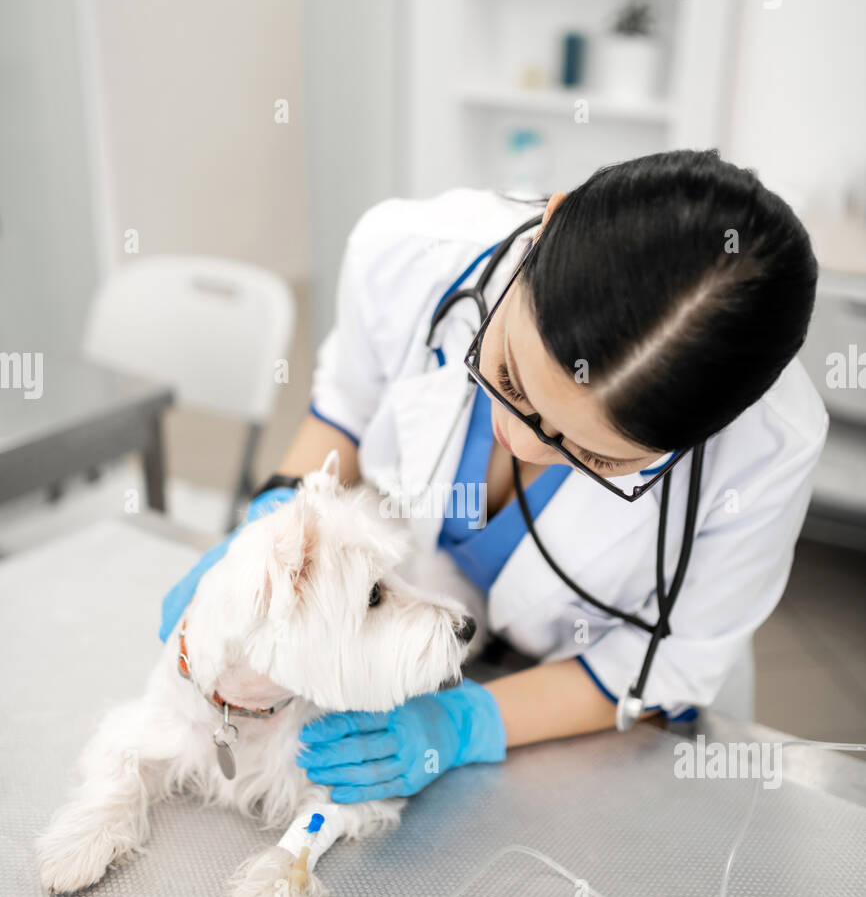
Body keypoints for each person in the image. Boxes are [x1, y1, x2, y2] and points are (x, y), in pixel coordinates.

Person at [161, 149, 828, 803]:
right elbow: (346, 410)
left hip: (590, 696)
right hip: (429, 617)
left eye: (593, 456)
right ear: (548, 225)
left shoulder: (769, 450)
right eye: (508, 374)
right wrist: (269, 524)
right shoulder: (408, 250)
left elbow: (667, 665)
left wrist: (459, 726)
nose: (520, 439)